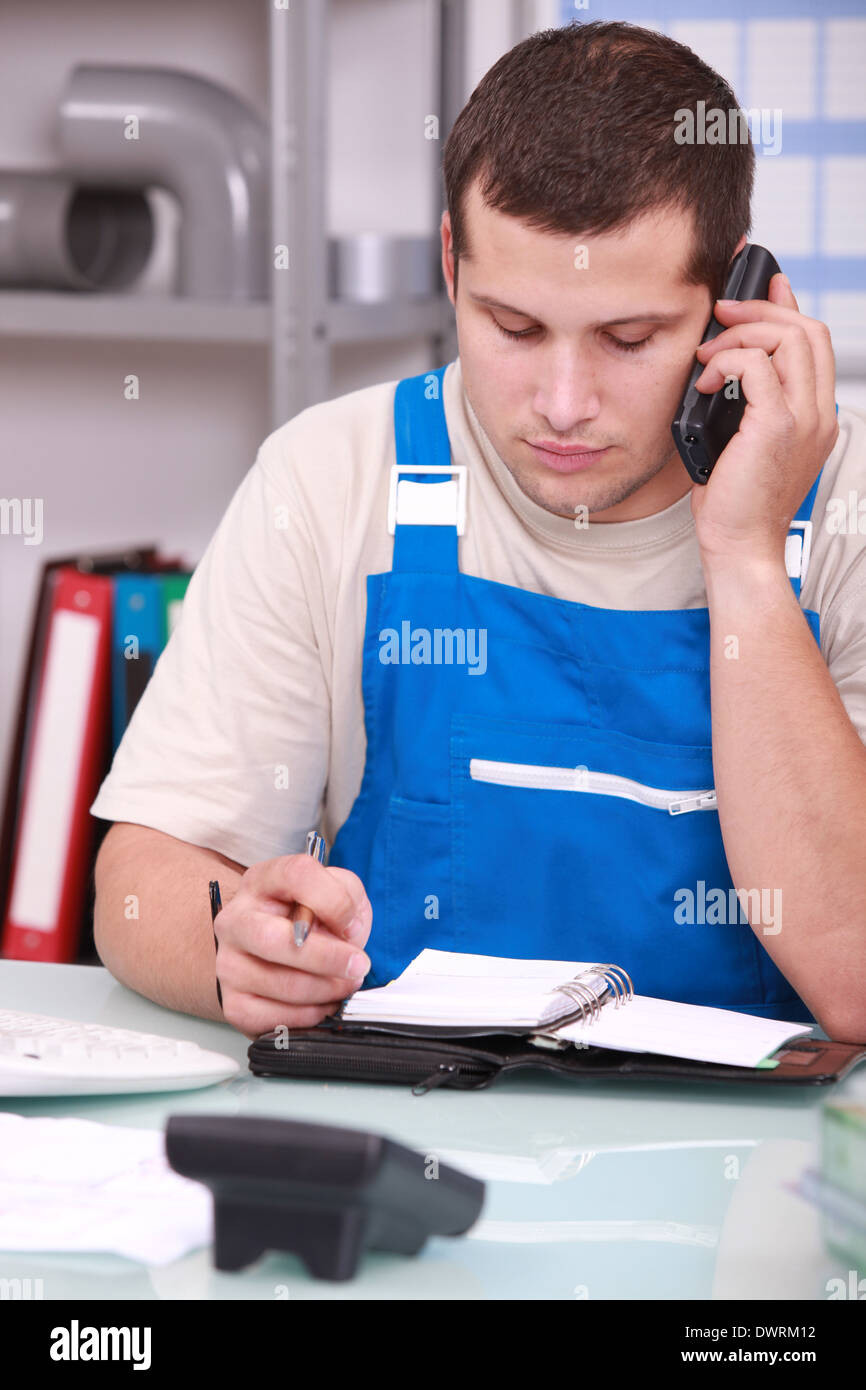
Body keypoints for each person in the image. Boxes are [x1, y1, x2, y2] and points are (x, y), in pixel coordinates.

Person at [91, 20, 866, 1041]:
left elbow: (854, 980)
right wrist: (233, 951)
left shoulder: (839, 506)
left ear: (734, 299)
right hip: (416, 1151)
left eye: (627, 339)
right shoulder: (330, 476)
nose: (560, 402)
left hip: (748, 1187)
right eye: (513, 327)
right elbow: (139, 885)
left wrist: (746, 558)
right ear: (452, 262)